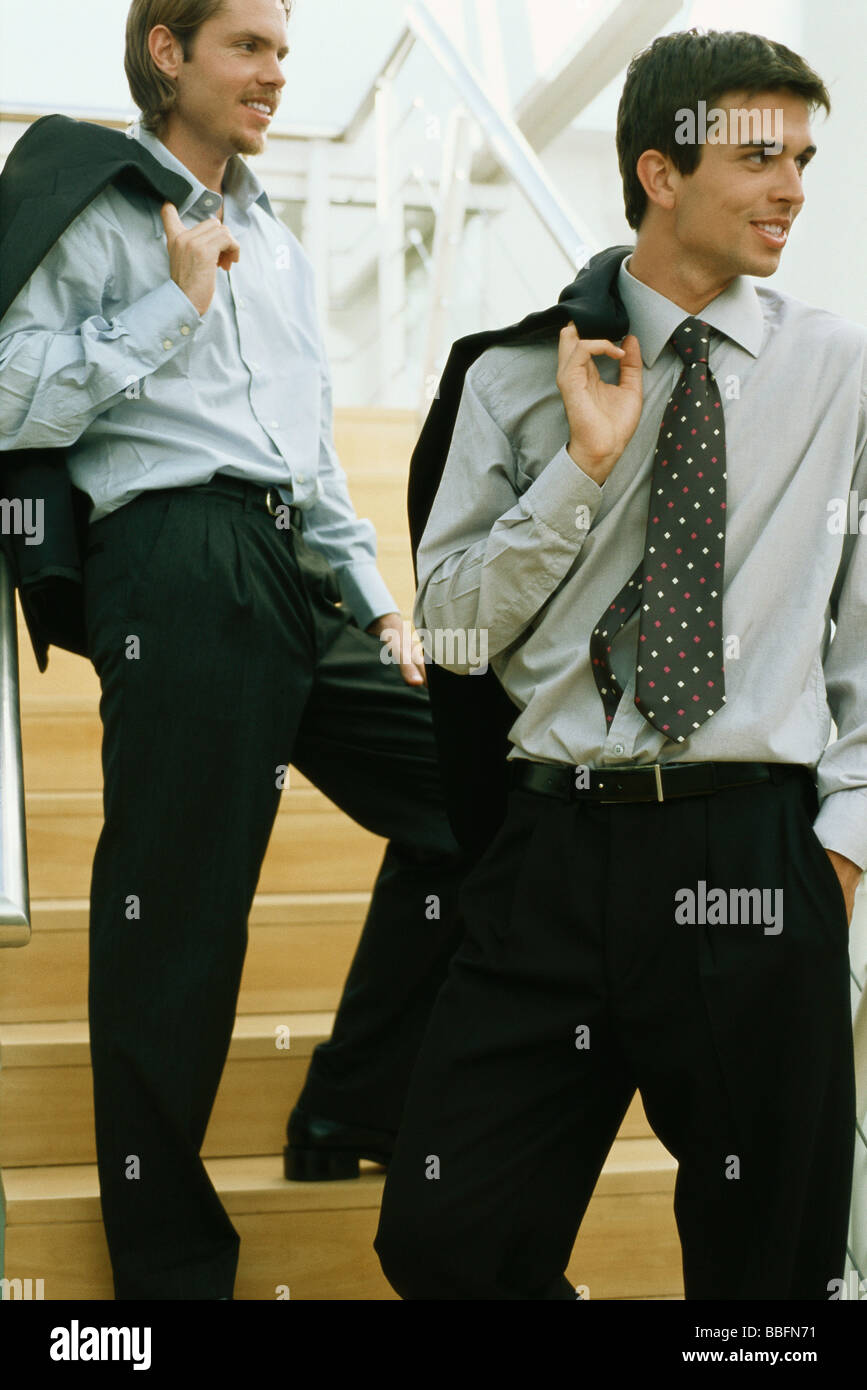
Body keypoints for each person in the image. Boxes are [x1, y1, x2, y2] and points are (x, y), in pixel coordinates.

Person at [375, 29, 866, 1300]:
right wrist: (580, 469)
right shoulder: (508, 377)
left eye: (804, 158)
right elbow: (459, 634)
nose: (794, 189)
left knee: (771, 1280)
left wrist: (842, 851)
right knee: (444, 1241)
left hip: (757, 856)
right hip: (550, 858)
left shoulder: (841, 373)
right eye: (760, 157)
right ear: (660, 169)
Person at [0, 0, 468, 1300]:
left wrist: (381, 602)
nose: (275, 73)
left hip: (292, 567)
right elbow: (6, 387)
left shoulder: (278, 233)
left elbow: (312, 445)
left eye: (280, 50)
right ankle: (168, 1269)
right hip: (175, 551)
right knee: (178, 919)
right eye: (248, 47)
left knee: (476, 797)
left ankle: (348, 1104)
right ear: (168, 52)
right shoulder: (94, 201)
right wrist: (166, 307)